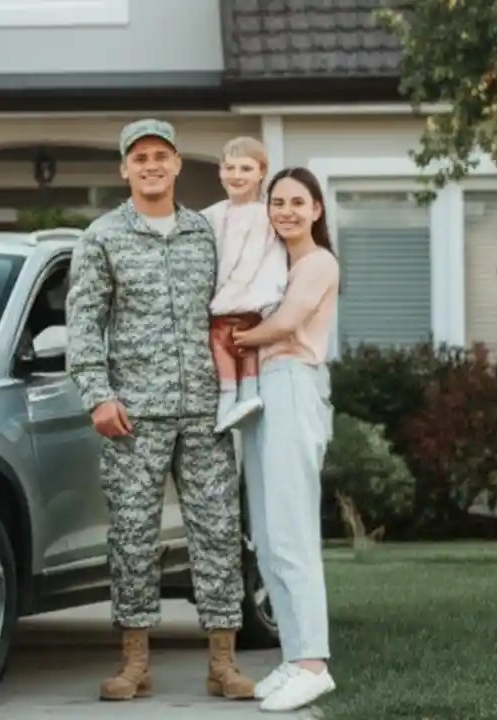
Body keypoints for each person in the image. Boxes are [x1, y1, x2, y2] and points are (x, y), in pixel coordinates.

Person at [66, 118, 255, 702]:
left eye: (161, 156)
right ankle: (135, 662)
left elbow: (234, 302)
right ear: (125, 169)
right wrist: (97, 395)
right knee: (131, 536)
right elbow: (83, 322)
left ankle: (223, 664)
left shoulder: (205, 233)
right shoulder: (101, 237)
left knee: (218, 531)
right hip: (133, 416)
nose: (151, 165)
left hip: (203, 410)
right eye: (139, 157)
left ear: (177, 165)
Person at [231, 166, 340, 713]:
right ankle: (294, 656)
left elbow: (288, 322)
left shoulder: (318, 263)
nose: (287, 211)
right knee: (268, 537)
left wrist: (236, 335)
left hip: (293, 386)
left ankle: (314, 663)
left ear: (317, 210)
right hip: (262, 390)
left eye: (299, 201)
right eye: (278, 202)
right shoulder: (276, 264)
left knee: (293, 532)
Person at [201, 137, 289, 434]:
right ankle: (229, 398)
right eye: (230, 167)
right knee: (221, 345)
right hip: (218, 306)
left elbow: (268, 262)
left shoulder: (267, 217)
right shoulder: (210, 216)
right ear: (220, 171)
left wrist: (264, 300)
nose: (237, 175)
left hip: (247, 304)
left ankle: (248, 394)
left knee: (245, 347)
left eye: (246, 168)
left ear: (261, 172)